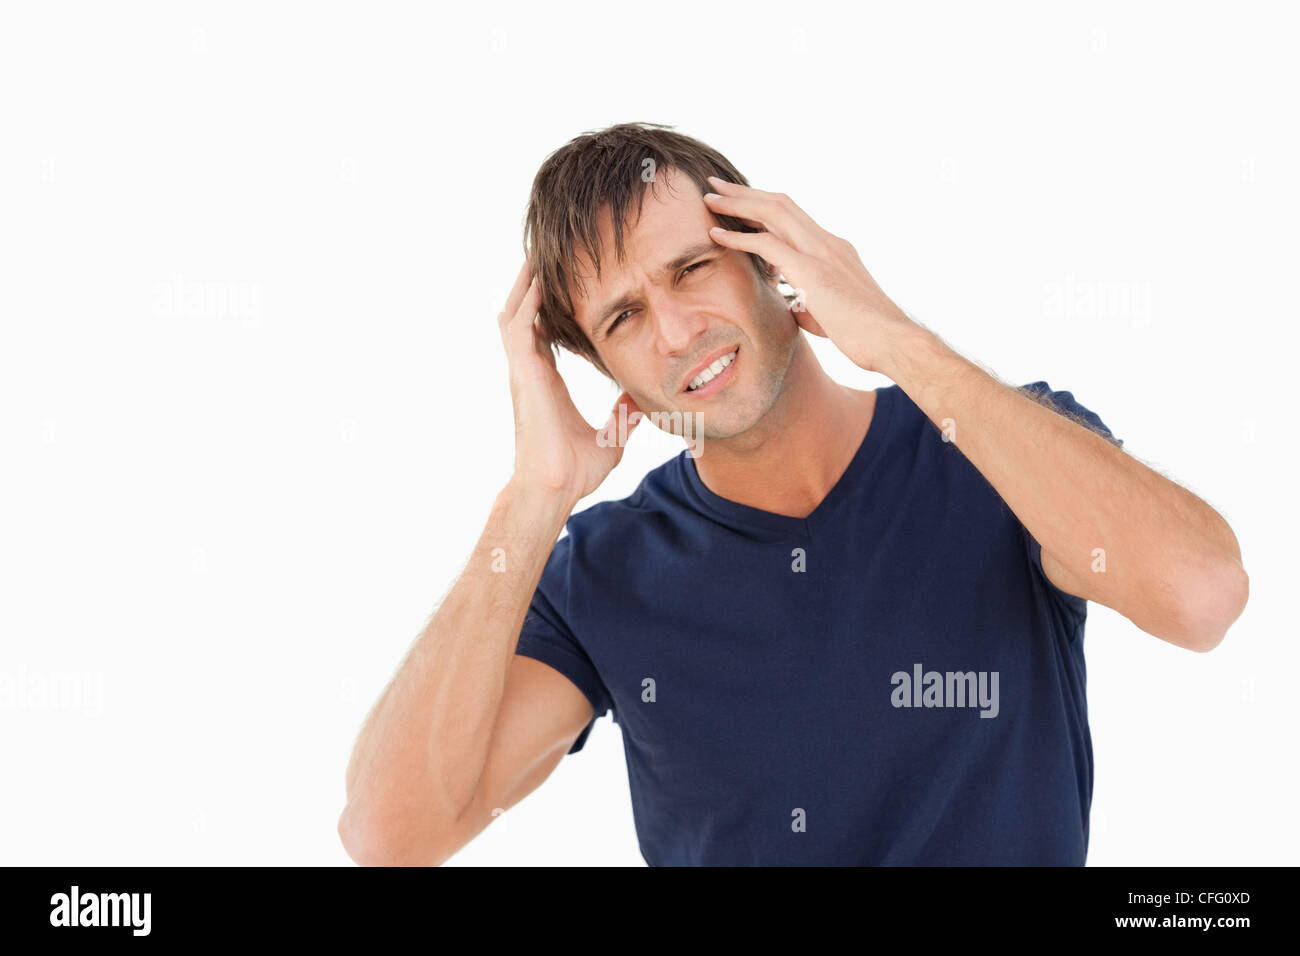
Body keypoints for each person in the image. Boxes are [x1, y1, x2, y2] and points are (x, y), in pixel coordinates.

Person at [337, 123, 1249, 866]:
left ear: (769, 255)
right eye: (623, 318)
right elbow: (390, 838)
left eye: (691, 269)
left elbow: (1202, 596)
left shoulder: (996, 452)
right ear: (598, 365)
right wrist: (532, 498)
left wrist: (897, 341)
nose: (678, 330)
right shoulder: (602, 576)